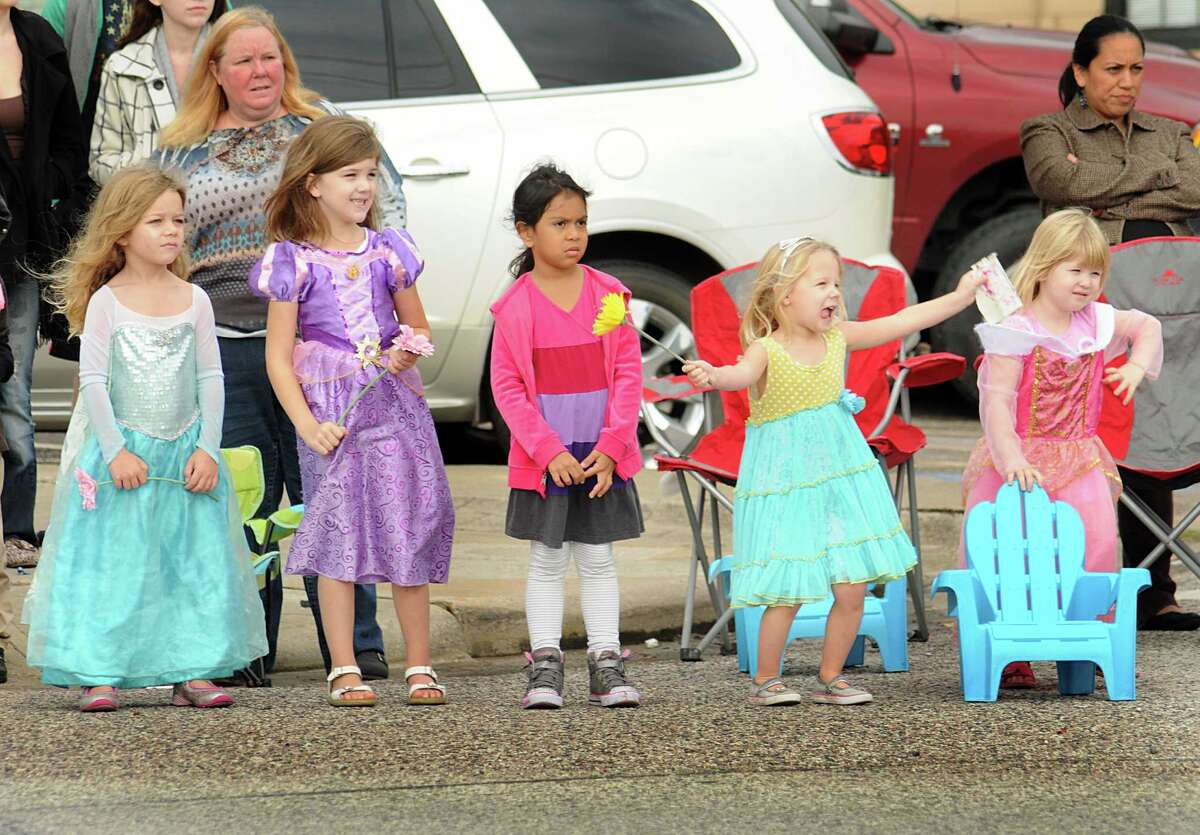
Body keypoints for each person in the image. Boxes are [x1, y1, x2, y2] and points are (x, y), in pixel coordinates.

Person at [153, 7, 408, 677]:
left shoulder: (318, 131)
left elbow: (384, 212)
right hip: (226, 342)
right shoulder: (181, 148)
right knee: (246, 498)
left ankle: (357, 644)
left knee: (333, 488)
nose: (259, 71)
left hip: (323, 346)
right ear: (215, 71)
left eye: (269, 57)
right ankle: (249, 647)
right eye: (243, 60)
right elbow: (161, 237)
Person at [683, 237, 985, 706]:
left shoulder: (837, 337)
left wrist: (962, 296)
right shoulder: (766, 350)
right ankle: (767, 679)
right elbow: (737, 376)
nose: (834, 294)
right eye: (821, 283)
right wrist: (712, 375)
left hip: (841, 476)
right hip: (786, 484)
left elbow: (903, 321)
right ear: (785, 295)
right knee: (788, 587)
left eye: (837, 284)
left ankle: (831, 676)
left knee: (852, 586)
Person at [21, 164, 267, 712]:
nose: (172, 230)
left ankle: (193, 666)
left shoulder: (195, 299)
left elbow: (209, 377)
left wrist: (207, 447)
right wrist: (115, 451)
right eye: (155, 220)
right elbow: (94, 382)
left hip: (185, 454)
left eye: (178, 219)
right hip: (124, 457)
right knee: (116, 563)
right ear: (123, 230)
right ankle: (101, 669)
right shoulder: (109, 301)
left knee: (189, 561)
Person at [252, 116, 453, 707]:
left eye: (369, 174)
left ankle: (419, 662)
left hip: (394, 408)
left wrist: (404, 351)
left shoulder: (389, 251)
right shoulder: (293, 262)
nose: (364, 186)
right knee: (339, 531)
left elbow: (417, 327)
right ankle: (343, 665)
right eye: (349, 175)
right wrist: (306, 425)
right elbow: (278, 357)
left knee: (408, 521)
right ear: (313, 184)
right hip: (331, 416)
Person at [1021, 14, 1200, 631]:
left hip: (1175, 306)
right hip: (1085, 307)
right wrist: (1160, 179)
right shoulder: (1047, 130)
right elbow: (1060, 182)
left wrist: (1105, 200)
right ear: (1080, 71)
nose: (1128, 82)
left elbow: (1199, 187)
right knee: (1100, 433)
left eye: (1137, 69)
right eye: (1114, 69)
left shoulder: (1172, 130)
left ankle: (1157, 594)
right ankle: (1085, 592)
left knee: (1161, 422)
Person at [962, 209, 1162, 689]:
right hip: (1016, 456)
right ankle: (1008, 647)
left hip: (1078, 455)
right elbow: (997, 405)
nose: (1086, 282)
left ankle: (1090, 640)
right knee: (1002, 547)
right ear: (1045, 266)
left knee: (1096, 543)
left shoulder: (1098, 321)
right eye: (1075, 270)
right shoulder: (1015, 329)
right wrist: (1012, 460)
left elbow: (1148, 325)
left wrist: (1136, 366)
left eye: (1095, 272)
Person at [490, 164, 645, 710]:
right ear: (526, 231)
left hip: (600, 453)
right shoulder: (515, 307)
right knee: (547, 560)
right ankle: (545, 665)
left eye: (581, 221)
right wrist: (548, 450)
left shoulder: (610, 295)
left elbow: (629, 375)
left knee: (598, 558)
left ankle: (607, 660)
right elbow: (507, 389)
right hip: (547, 458)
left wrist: (613, 447)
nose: (574, 234)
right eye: (559, 223)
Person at [0, 1, 89, 562]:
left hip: (24, 239)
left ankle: (16, 528)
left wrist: (49, 190)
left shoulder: (38, 37)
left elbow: (69, 142)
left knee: (14, 389)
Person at [90, 0, 226, 184]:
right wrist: (157, 163)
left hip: (227, 206)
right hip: (148, 207)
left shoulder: (241, 57)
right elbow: (102, 163)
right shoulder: (121, 67)